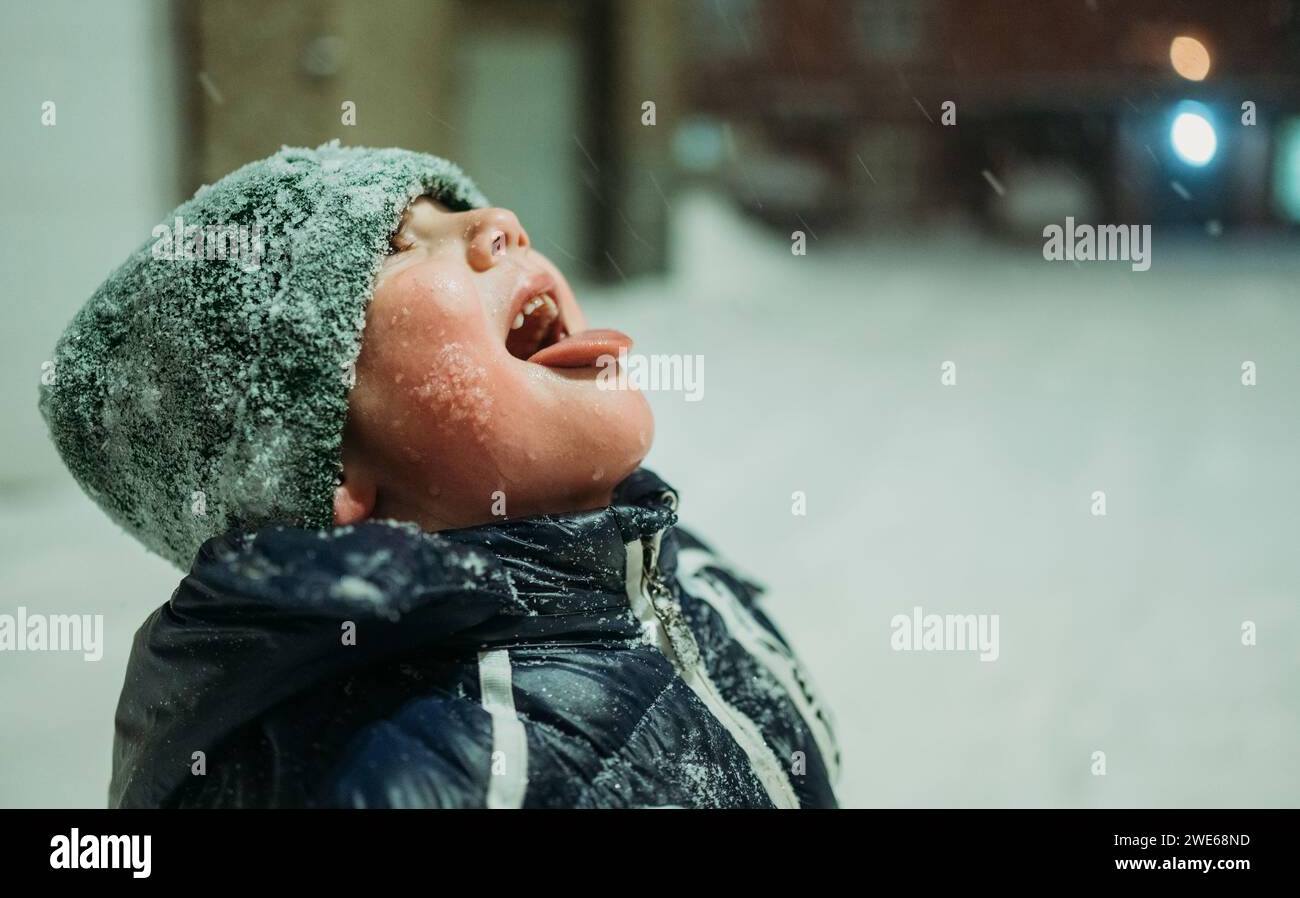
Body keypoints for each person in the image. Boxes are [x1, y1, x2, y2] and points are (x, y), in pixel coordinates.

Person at [41, 141, 840, 808]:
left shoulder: (659, 557)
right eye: (395, 246)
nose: (501, 222)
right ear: (336, 468)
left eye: (455, 208)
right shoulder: (445, 777)